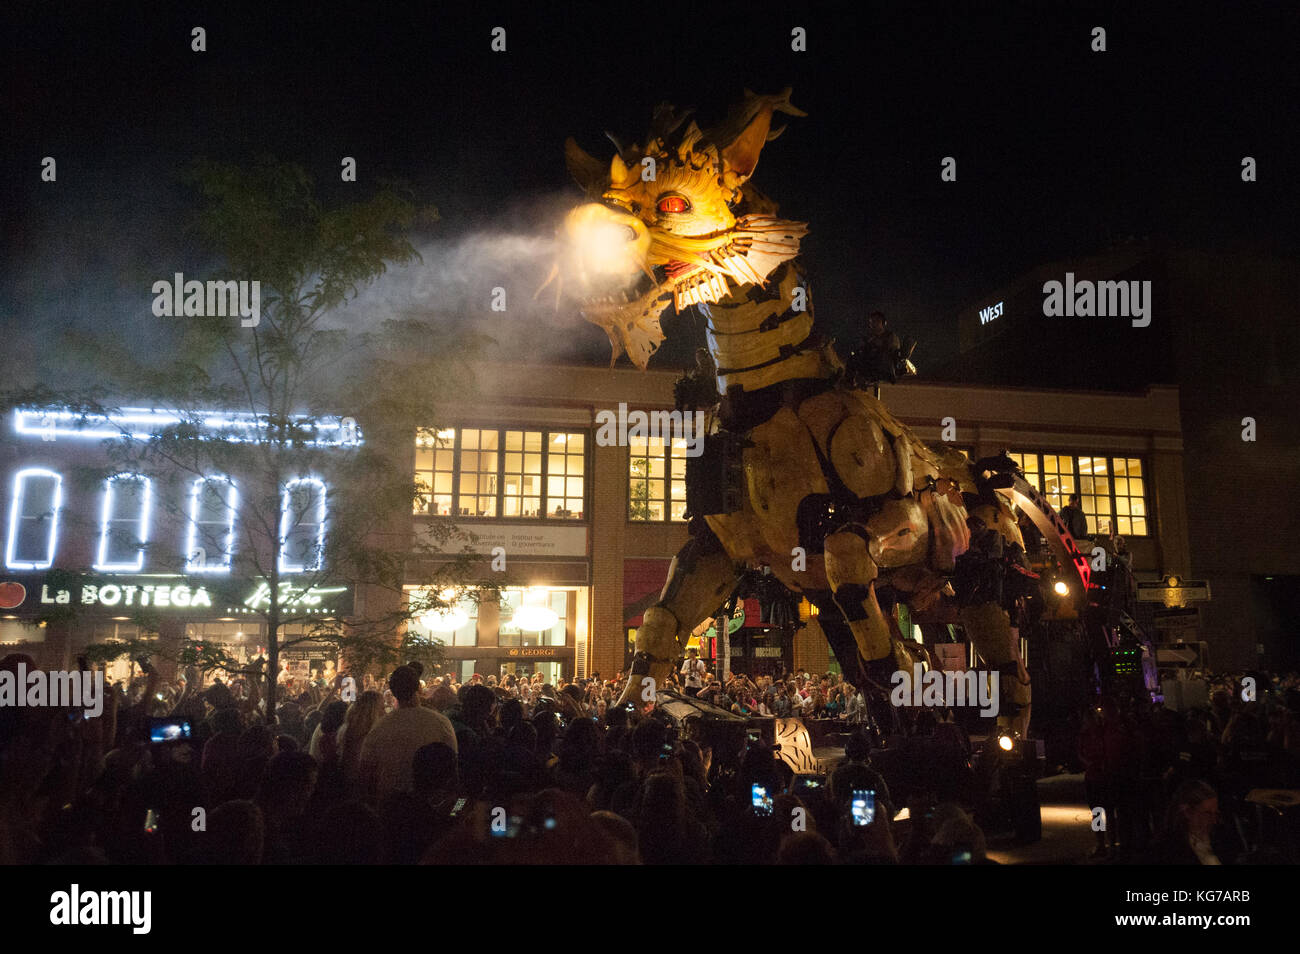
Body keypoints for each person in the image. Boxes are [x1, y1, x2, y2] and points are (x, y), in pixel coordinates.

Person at [358, 667, 458, 802]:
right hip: (431, 809)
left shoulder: (379, 727)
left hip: (389, 809)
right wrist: (454, 814)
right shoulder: (440, 722)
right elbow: (454, 771)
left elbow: (365, 775)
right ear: (418, 687)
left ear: (392, 691)